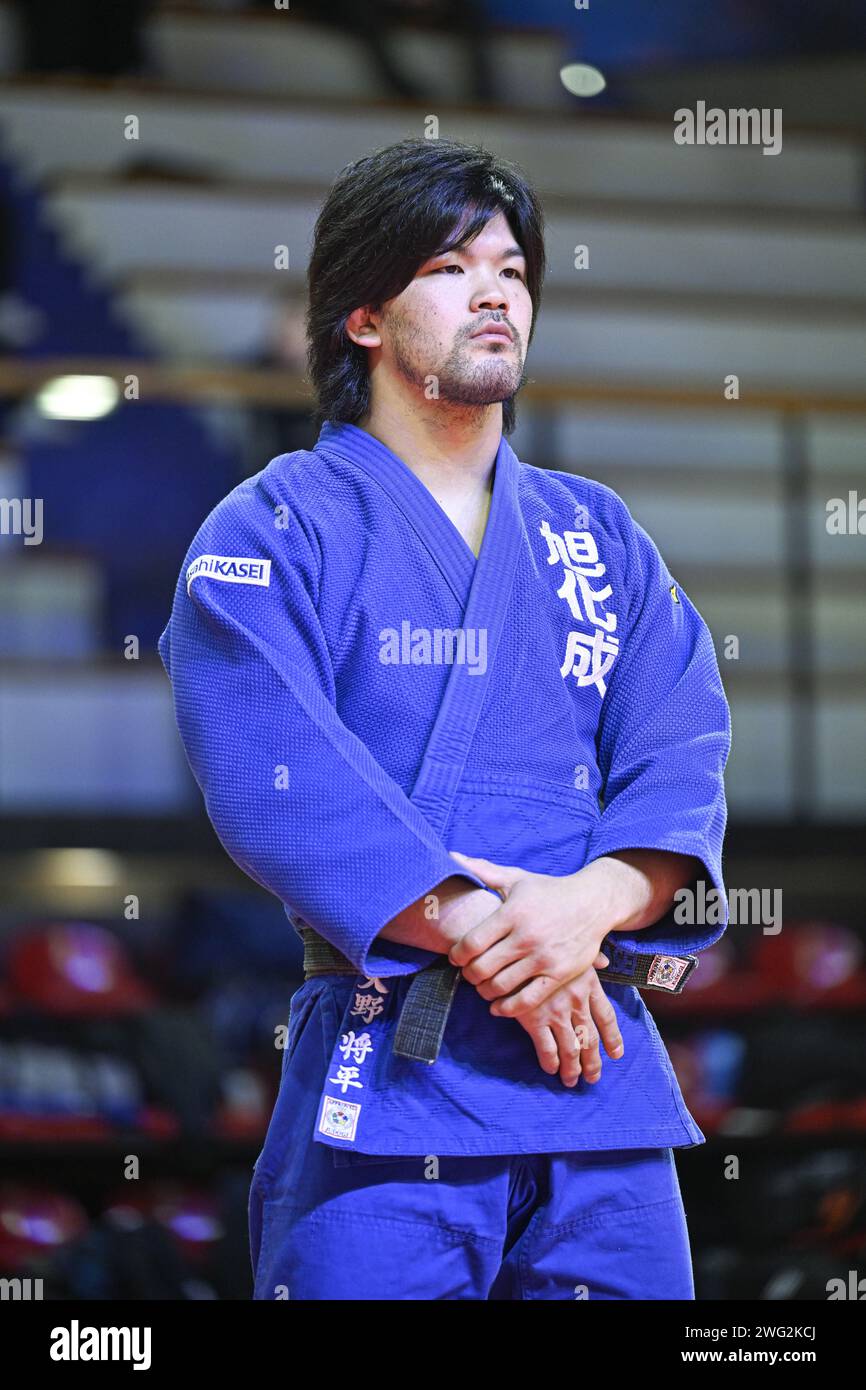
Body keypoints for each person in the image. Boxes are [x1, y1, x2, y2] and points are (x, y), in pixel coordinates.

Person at [158, 137, 732, 1300]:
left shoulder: (594, 533)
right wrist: (487, 930)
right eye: (450, 267)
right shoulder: (267, 531)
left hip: (597, 1070)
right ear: (361, 315)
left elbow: (680, 743)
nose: (494, 293)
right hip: (391, 1061)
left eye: (514, 271)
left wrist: (590, 906)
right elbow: (278, 781)